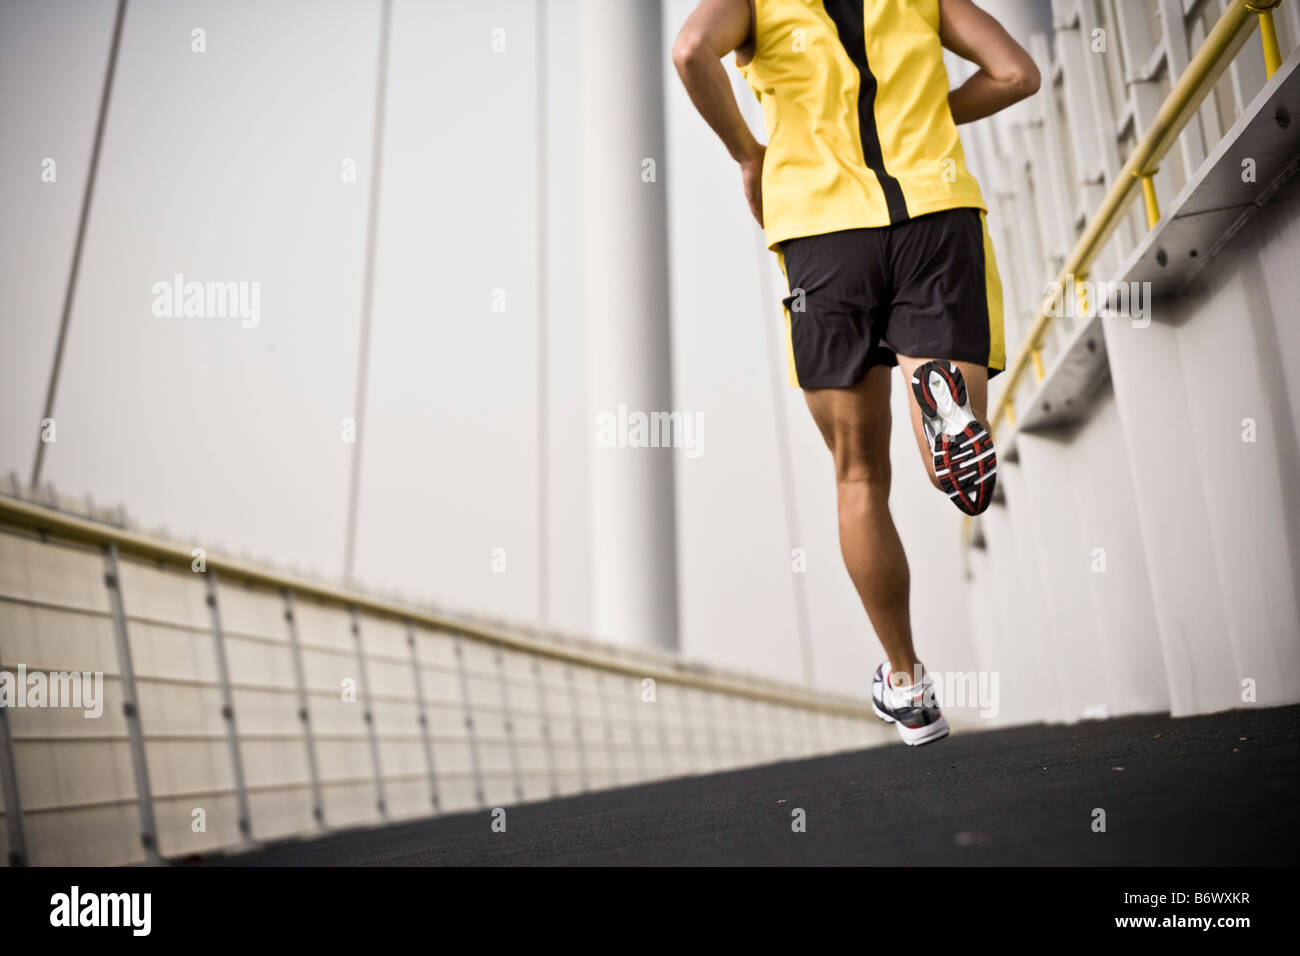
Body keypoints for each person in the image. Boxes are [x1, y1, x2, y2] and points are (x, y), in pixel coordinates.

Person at [673, 0, 1039, 745]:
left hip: (822, 236)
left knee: (859, 474)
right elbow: (1016, 74)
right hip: (935, 215)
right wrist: (931, 110)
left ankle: (905, 681)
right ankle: (941, 409)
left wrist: (752, 154)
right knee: (956, 474)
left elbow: (689, 53)